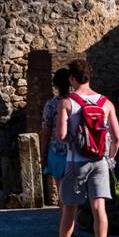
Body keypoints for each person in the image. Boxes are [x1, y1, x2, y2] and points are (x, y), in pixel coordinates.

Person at [44, 58, 119, 237]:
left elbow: (60, 135)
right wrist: (109, 157)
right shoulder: (106, 103)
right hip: (100, 162)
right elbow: (116, 137)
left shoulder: (67, 102)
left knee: (70, 207)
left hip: (76, 161)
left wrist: (75, 143)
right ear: (89, 77)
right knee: (99, 207)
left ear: (71, 79)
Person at [39, 68, 72, 205]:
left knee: (62, 194)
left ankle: (65, 221)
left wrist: (43, 153)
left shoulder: (51, 104)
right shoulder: (77, 103)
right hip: (76, 151)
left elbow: (46, 131)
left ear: (56, 85)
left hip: (57, 150)